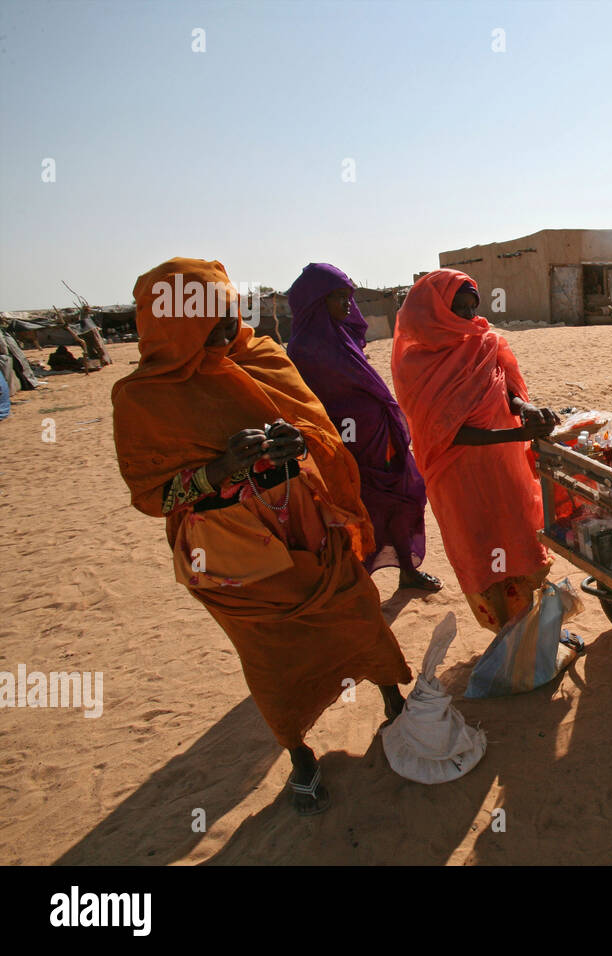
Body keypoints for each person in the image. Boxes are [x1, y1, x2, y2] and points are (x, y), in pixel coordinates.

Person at [112, 257, 413, 816]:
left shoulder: (263, 358)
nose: (230, 333)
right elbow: (153, 497)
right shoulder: (144, 399)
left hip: (308, 530)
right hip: (233, 560)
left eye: (231, 316)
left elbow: (319, 432)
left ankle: (395, 699)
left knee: (355, 612)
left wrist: (296, 447)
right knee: (275, 658)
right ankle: (300, 755)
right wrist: (218, 472)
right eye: (212, 324)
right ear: (174, 327)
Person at [391, 269, 559, 632]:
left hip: (503, 465)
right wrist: (513, 437)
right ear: (434, 310)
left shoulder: (485, 342)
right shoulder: (414, 364)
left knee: (519, 532)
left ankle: (536, 630)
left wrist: (525, 410)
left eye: (472, 308)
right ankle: (508, 633)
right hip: (458, 475)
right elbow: (443, 435)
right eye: (458, 309)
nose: (468, 318)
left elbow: (507, 391)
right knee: (481, 543)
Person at [286, 263, 440, 591]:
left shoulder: (345, 338)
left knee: (400, 499)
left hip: (379, 439)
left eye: (348, 297)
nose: (347, 305)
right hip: (341, 449)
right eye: (338, 298)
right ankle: (359, 583)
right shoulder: (303, 349)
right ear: (316, 302)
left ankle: (407, 571)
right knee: (354, 512)